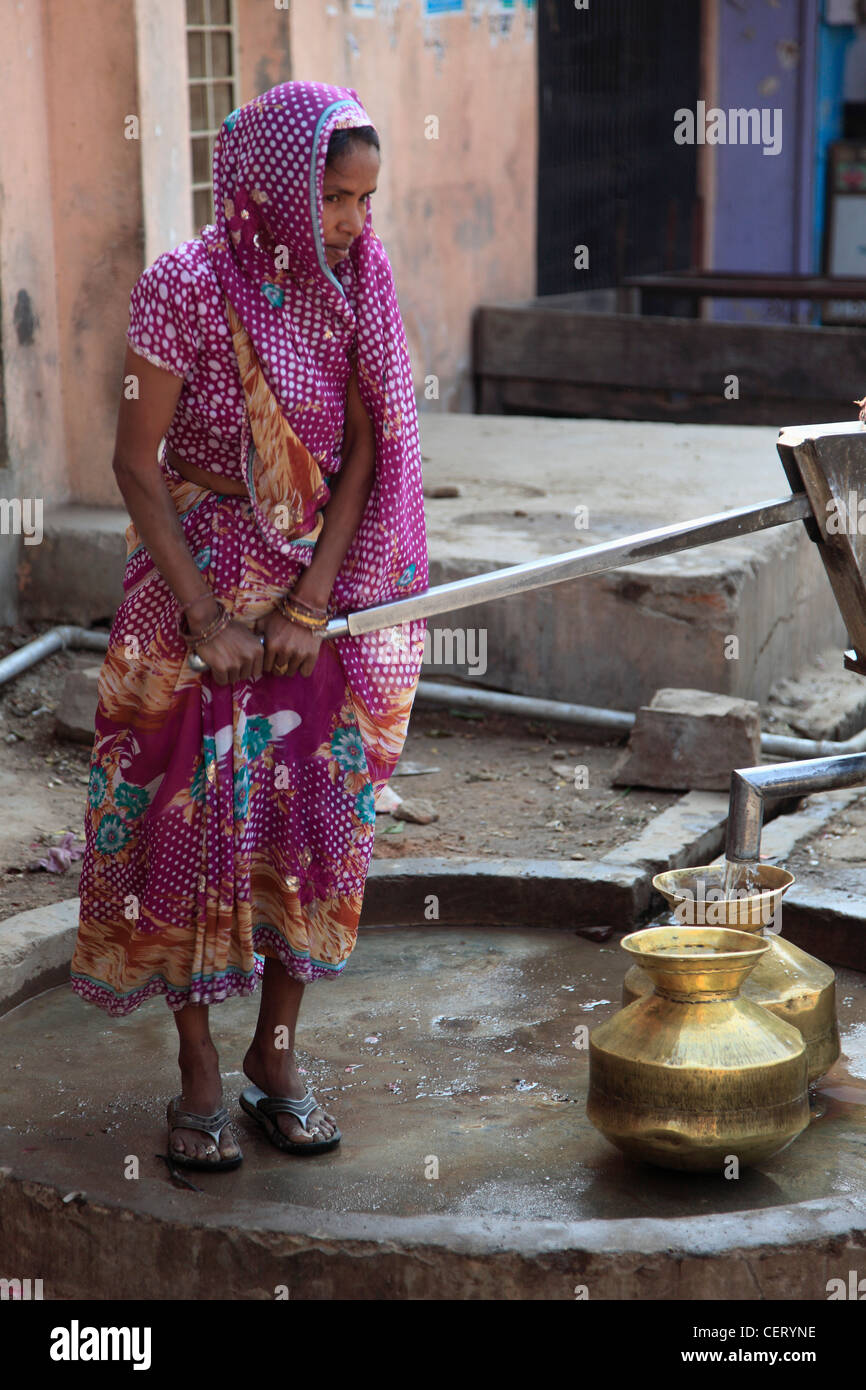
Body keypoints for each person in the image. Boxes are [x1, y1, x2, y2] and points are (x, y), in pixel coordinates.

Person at [70, 81, 428, 1171]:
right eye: (331, 198)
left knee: (311, 830)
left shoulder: (356, 280)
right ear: (273, 185)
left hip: (306, 603)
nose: (352, 224)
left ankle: (275, 1054)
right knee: (175, 824)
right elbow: (137, 462)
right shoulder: (183, 285)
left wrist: (314, 602)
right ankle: (194, 1069)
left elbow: (366, 448)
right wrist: (205, 617)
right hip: (190, 586)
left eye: (364, 199)